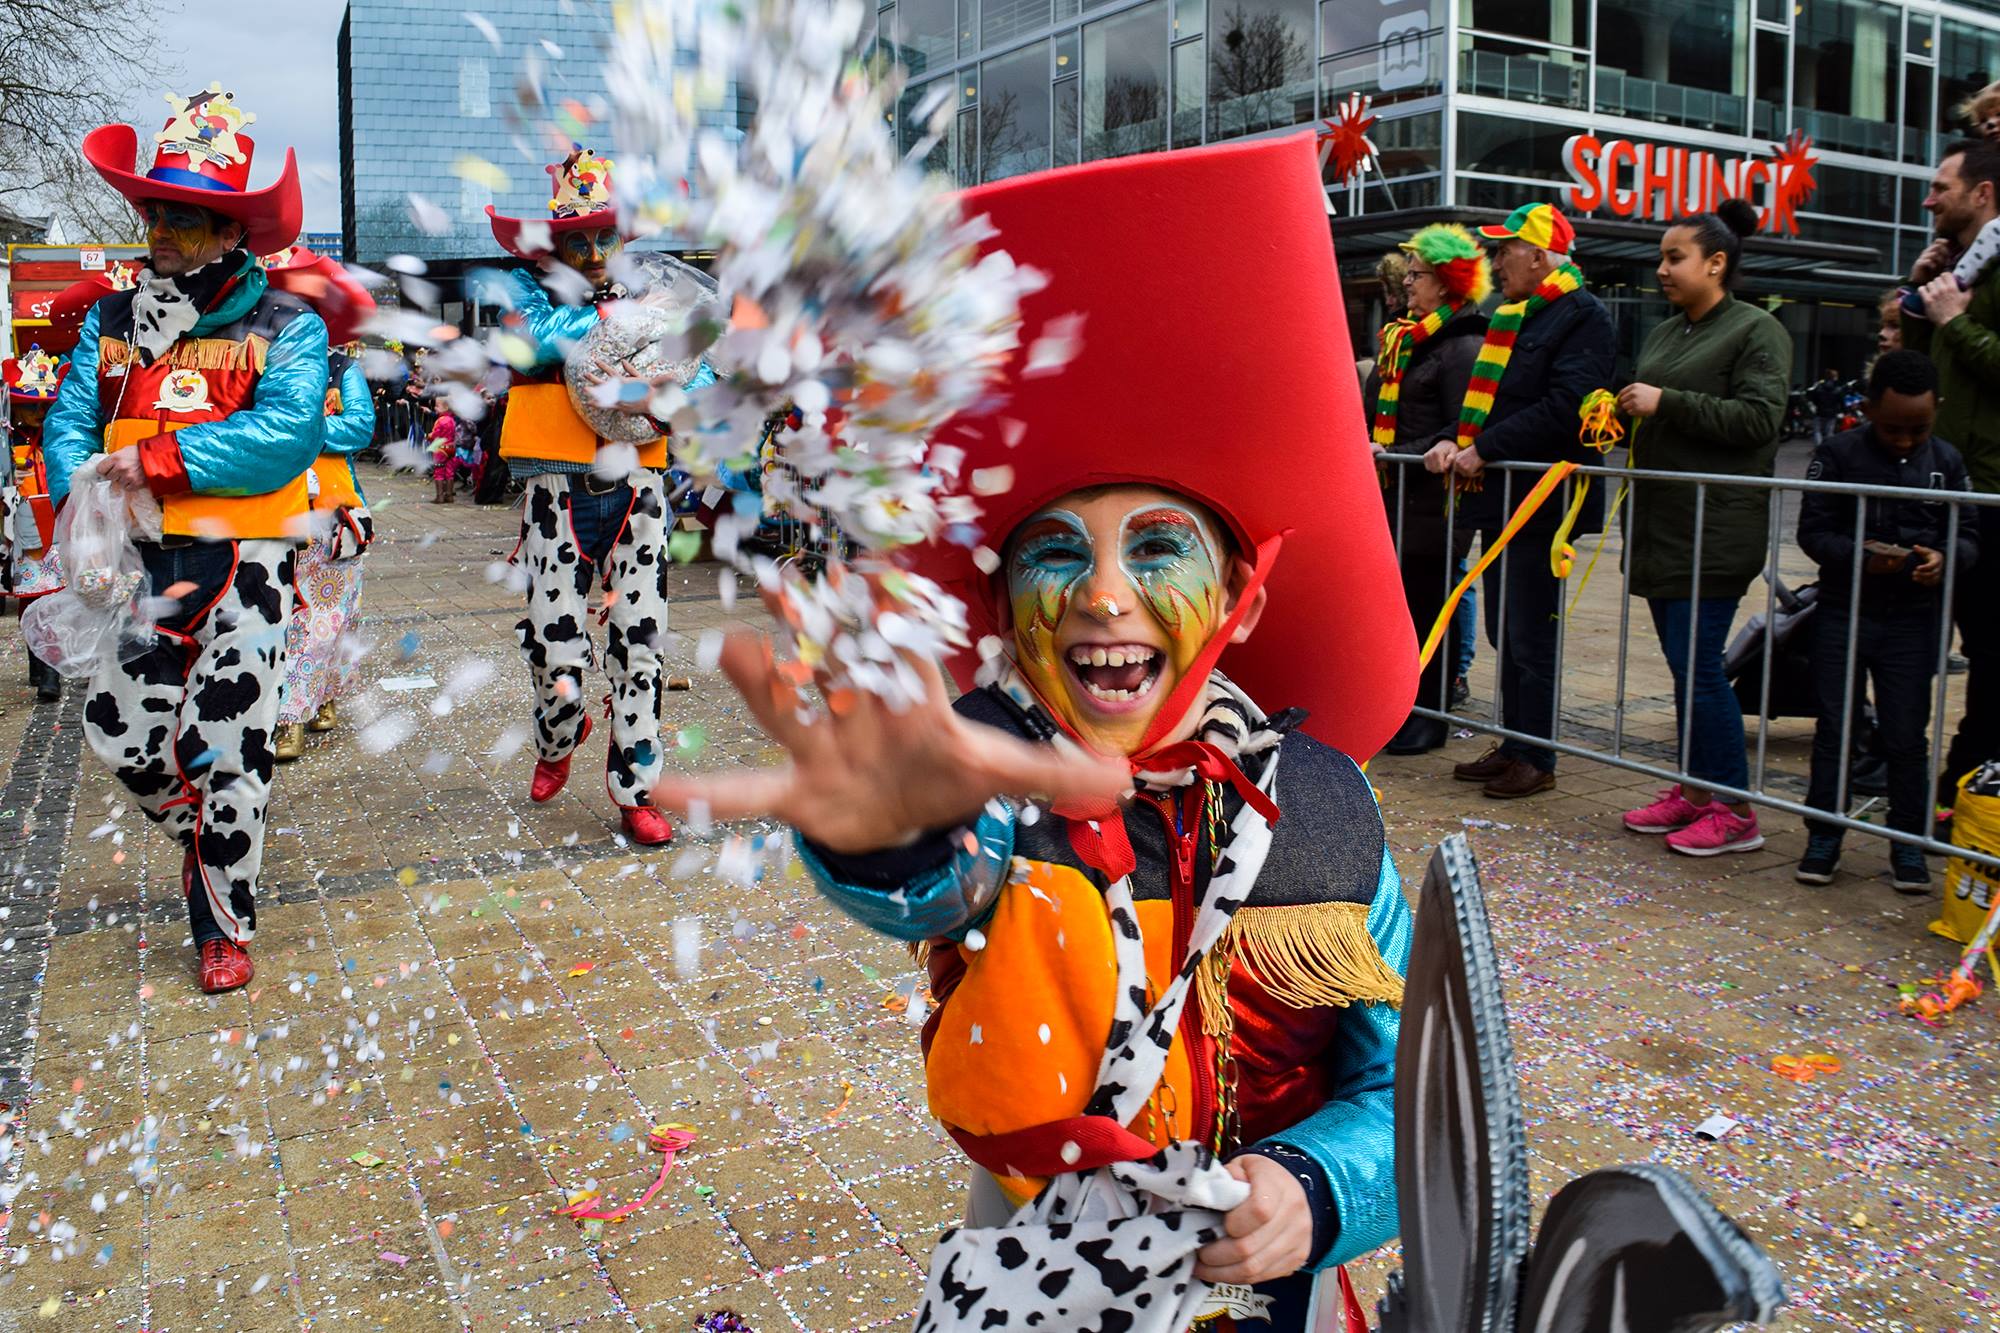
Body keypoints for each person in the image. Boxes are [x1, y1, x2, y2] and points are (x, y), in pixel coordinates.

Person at [654, 136, 1413, 1331]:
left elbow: (1399, 1084)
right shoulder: (989, 772)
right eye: (1059, 552)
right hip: (1034, 1279)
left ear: (1238, 602)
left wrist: (1317, 1192)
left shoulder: (1322, 808)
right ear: (1008, 610)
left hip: (1279, 1296)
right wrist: (884, 847)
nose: (1104, 595)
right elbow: (939, 880)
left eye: (1155, 548)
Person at [43, 85, 326, 994]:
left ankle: (221, 919)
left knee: (229, 747)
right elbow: (69, 423)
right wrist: (76, 504)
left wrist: (165, 457)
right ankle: (216, 837)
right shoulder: (111, 321)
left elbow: (289, 433)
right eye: (155, 211)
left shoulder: (288, 324)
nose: (162, 230)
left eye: (187, 219)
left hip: (245, 571)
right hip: (139, 572)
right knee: (120, 737)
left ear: (232, 234)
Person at [486, 146, 710, 847]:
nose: (589, 253)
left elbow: (697, 380)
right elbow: (531, 345)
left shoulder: (662, 301)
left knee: (639, 649)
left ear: (623, 241)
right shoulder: (525, 294)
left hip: (637, 493)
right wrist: (622, 332)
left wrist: (667, 383)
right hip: (555, 494)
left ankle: (634, 790)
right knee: (557, 652)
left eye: (601, 238)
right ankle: (560, 734)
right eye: (575, 241)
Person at [1615, 201, 1792, 857]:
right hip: (1665, 527)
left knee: (1701, 670)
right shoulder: (1667, 333)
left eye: (1675, 257)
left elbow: (1758, 420)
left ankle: (1737, 810)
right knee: (1685, 667)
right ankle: (1694, 790)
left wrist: (1667, 402)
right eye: (1661, 257)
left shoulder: (1757, 330)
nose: (1662, 269)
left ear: (1717, 263)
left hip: (1714, 530)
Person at [1423, 202, 1614, 799]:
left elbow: (1566, 405)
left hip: (1544, 503)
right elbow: (1492, 404)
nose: (1496, 261)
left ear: (1539, 255)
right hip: (1505, 499)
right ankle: (1515, 743)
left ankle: (1537, 754)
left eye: (1505, 250)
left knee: (1530, 631)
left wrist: (1487, 447)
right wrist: (1459, 439)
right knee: (1510, 630)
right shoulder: (1520, 316)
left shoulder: (1581, 316)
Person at [1795, 351, 1980, 891]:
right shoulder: (1837, 453)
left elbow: (1968, 534)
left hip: (1914, 621)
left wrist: (1944, 559)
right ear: (1869, 408)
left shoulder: (1947, 460)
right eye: (1892, 427)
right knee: (1835, 730)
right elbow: (1812, 530)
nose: (1903, 440)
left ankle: (1908, 843)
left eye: (1917, 429)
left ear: (1936, 412)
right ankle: (1825, 834)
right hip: (1844, 610)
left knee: (1906, 736)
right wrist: (1859, 556)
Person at [1904, 137, 2000, 834]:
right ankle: (1915, 789)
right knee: (1904, 648)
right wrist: (1916, 306)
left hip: (1989, 497)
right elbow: (1915, 383)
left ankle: (1963, 791)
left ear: (1983, 194)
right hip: (1934, 489)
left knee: (1991, 658)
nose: (1931, 197)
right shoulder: (1955, 272)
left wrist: (1956, 325)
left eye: (1943, 186)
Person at [1365, 224, 1491, 754]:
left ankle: (1430, 714)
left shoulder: (1462, 345)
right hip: (1399, 502)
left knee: (1426, 611)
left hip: (1435, 507)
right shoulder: (1407, 339)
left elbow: (1462, 427)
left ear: (1445, 283)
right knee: (1401, 614)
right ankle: (1402, 707)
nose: (1409, 283)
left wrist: (1400, 452)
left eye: (1417, 275)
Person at [265, 245, 379, 762]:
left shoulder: (341, 367)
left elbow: (359, 426)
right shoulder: (252, 357)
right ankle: (289, 707)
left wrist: (292, 433)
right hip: (266, 506)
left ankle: (311, 701)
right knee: (281, 616)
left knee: (329, 617)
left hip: (332, 512)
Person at [3, 347, 69, 701]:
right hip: (24, 527)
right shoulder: (6, 443)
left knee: (54, 598)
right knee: (32, 598)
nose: (39, 412)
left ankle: (48, 671)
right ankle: (41, 667)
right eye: (32, 405)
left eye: (44, 405)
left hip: (55, 521)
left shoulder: (56, 436)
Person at [428, 409, 459, 503]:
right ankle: (449, 495)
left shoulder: (440, 421)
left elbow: (435, 435)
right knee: (450, 471)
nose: (435, 408)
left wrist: (428, 436)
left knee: (439, 471)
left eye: (437, 406)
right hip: (450, 447)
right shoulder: (452, 420)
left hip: (440, 448)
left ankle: (439, 496)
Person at [1807, 368, 1845, 443]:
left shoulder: (1819, 387)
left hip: (1820, 411)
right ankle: (1827, 448)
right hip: (1832, 413)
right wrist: (1843, 410)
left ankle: (1819, 447)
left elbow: (1813, 398)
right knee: (1829, 432)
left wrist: (1817, 405)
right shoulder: (1837, 388)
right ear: (1834, 377)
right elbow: (1841, 401)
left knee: (1817, 431)